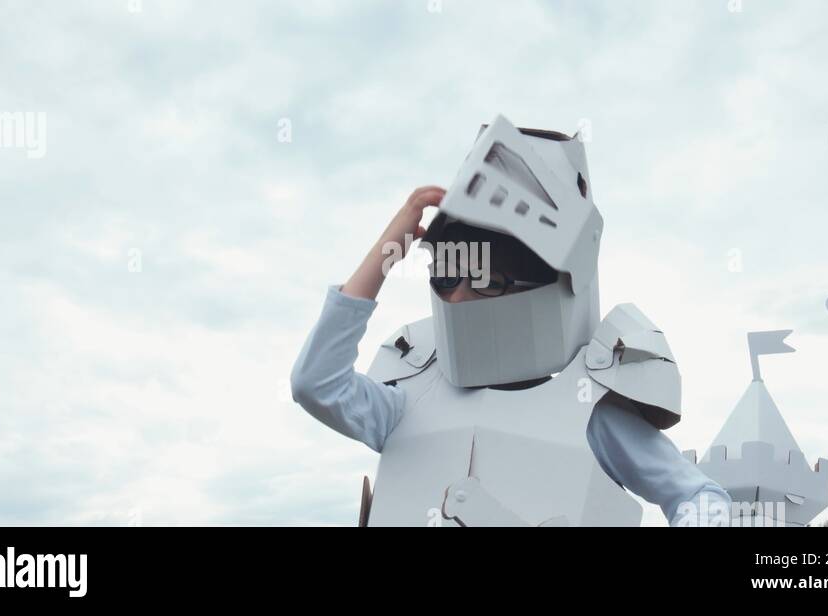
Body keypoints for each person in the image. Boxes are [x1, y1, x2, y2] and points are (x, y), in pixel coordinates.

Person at [291, 116, 730, 526]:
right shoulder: (406, 402)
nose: (458, 296)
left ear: (531, 287)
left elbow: (699, 496)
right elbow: (316, 383)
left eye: (487, 282)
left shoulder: (589, 410)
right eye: (447, 276)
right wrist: (388, 250)